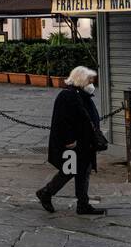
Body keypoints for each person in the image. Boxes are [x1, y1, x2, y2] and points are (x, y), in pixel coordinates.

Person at [36, 66, 106, 216]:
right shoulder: (67, 96)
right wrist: (69, 140)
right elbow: (62, 121)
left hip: (84, 143)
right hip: (73, 144)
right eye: (88, 79)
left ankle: (82, 204)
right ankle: (46, 192)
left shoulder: (80, 95)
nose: (91, 82)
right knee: (70, 171)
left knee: (83, 171)